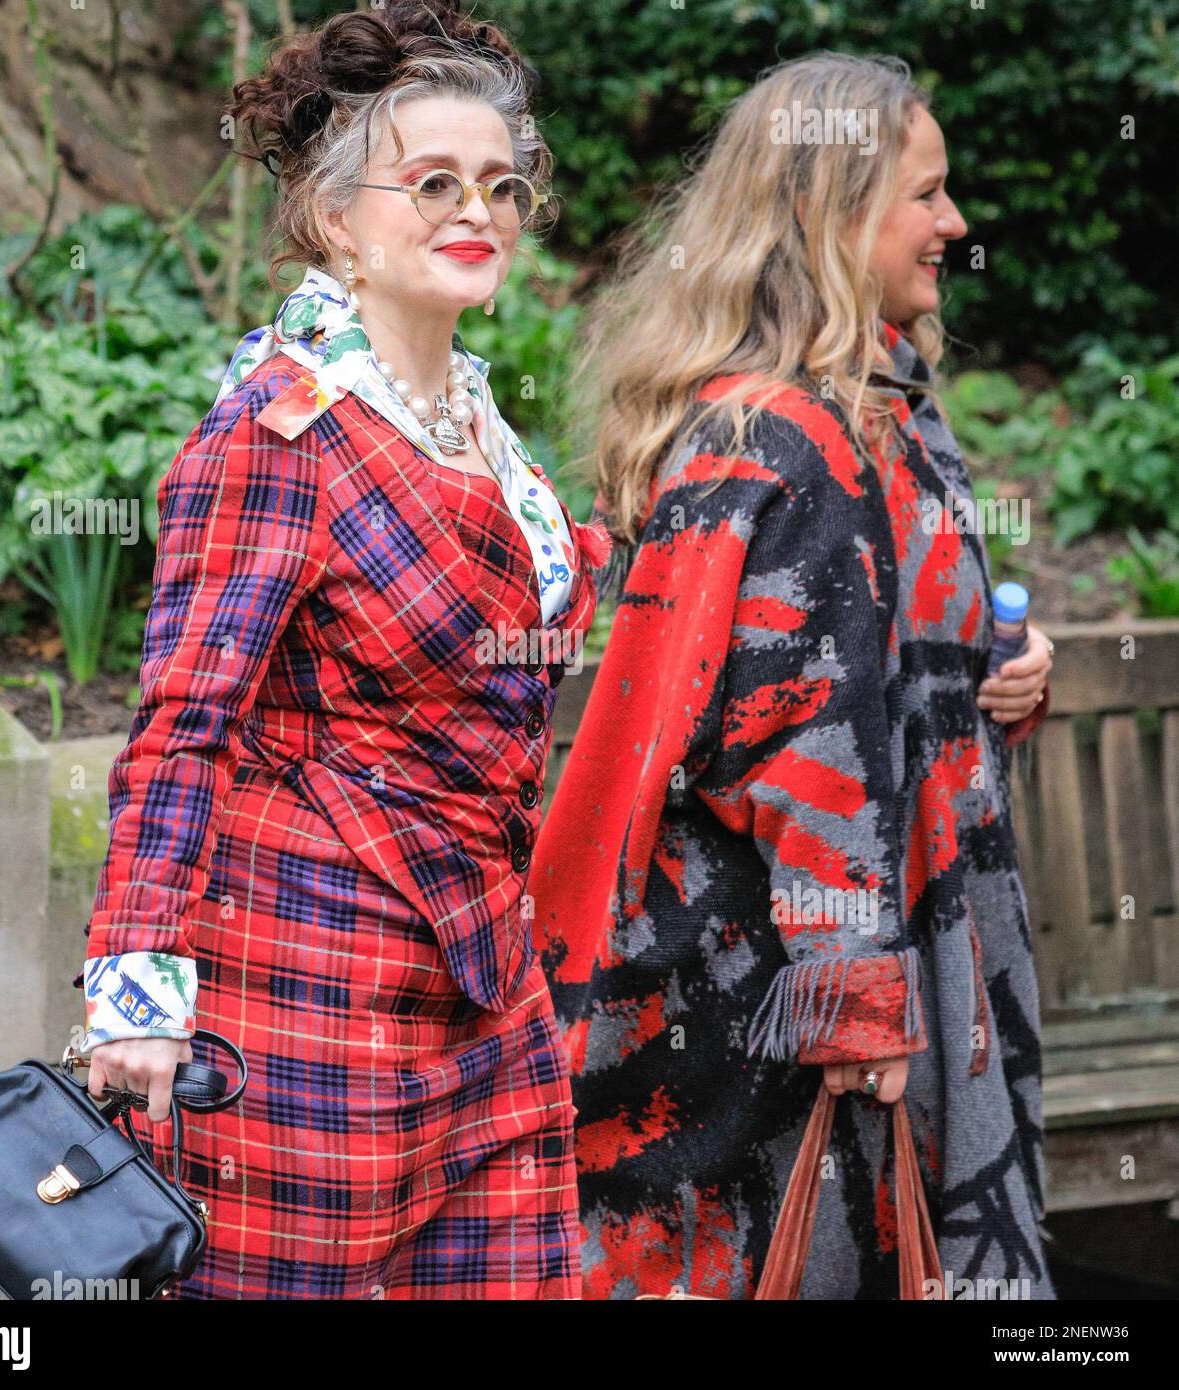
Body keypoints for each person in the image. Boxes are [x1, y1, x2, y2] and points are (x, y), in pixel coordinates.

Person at [73, 0, 608, 1300]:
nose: (475, 209)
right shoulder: (282, 431)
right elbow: (182, 720)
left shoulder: (486, 433)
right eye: (430, 183)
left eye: (500, 183)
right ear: (330, 217)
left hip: (483, 979)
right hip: (303, 985)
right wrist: (136, 991)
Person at [528, 52, 1055, 1299]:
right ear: (828, 214)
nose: (954, 224)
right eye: (923, 196)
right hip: (777, 989)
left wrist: (1000, 672)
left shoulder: (884, 408)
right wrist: (858, 1007)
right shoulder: (780, 434)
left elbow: (890, 670)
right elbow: (796, 745)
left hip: (883, 947)